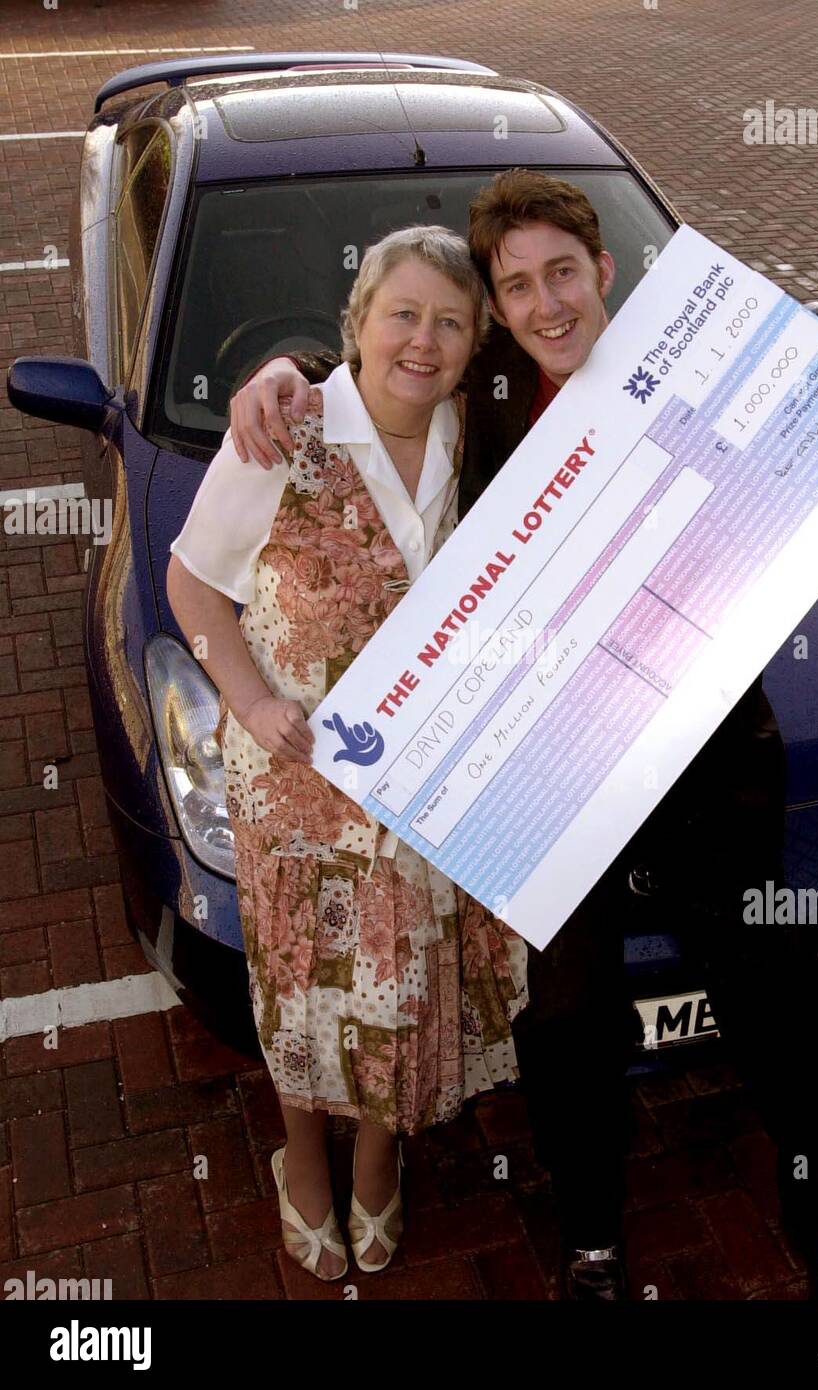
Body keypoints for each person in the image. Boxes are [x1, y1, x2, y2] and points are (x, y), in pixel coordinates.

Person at [227, 170, 818, 1300]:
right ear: (495, 305)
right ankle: (590, 1236)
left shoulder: (686, 371)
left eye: (562, 275)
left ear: (605, 272)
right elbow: (378, 368)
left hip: (705, 757)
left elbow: (799, 499)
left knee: (785, 998)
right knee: (569, 1019)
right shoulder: (480, 389)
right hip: (552, 772)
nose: (546, 305)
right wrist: (283, 367)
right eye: (516, 286)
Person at [167, 225, 528, 1283]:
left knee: (402, 980)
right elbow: (195, 589)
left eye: (450, 322)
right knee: (308, 982)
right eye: (402, 314)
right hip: (299, 775)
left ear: (474, 345)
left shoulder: (478, 434)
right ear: (356, 326)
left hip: (423, 782)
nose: (424, 339)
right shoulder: (289, 431)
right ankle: (308, 1163)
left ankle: (378, 1157)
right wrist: (249, 698)